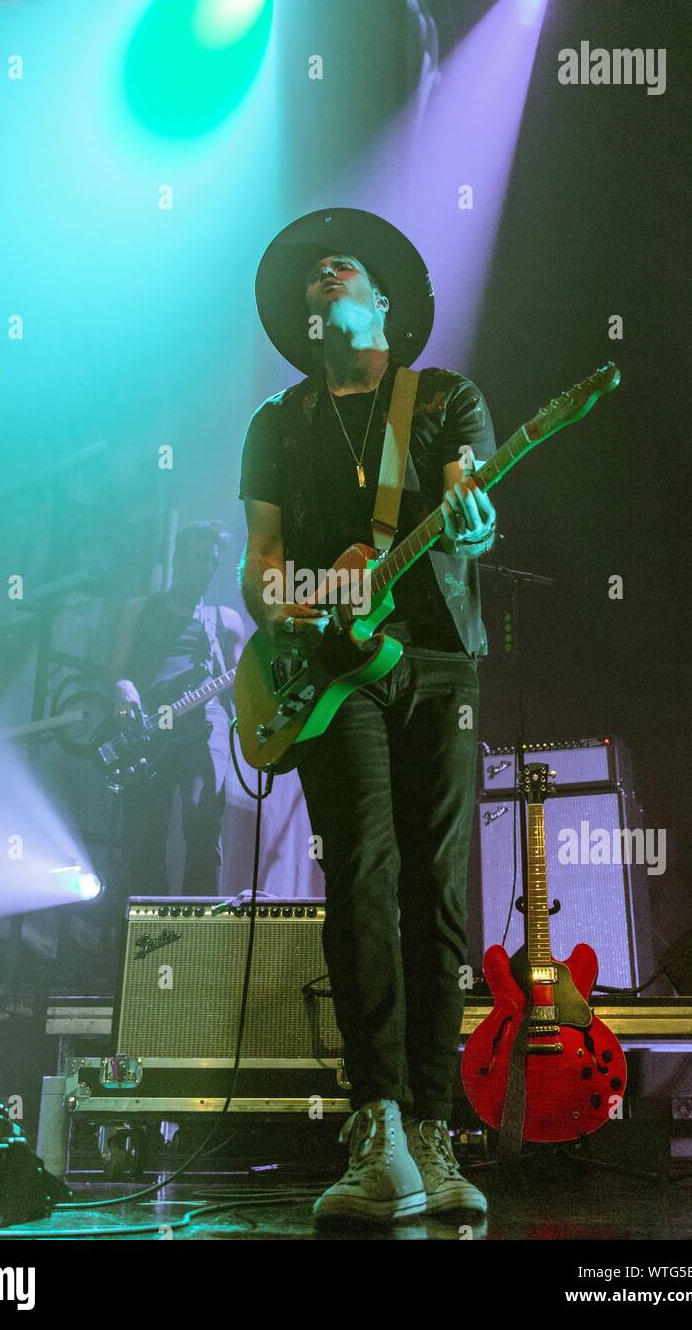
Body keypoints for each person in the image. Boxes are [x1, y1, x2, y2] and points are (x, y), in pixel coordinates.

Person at [238, 208, 497, 1223]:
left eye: (343, 268)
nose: (325, 273)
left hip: (434, 663)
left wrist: (472, 519)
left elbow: (467, 500)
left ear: (383, 301)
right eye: (313, 274)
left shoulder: (445, 398)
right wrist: (295, 601)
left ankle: (433, 1128)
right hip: (331, 674)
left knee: (437, 889)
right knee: (361, 878)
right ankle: (376, 1122)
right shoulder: (277, 424)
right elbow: (261, 565)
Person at [110, 520, 245, 898]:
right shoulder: (139, 610)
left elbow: (240, 687)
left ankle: (199, 923)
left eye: (212, 562)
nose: (206, 568)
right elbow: (116, 672)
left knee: (203, 823)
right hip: (148, 727)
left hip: (205, 726)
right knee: (145, 830)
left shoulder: (225, 621)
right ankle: (149, 922)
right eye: (199, 559)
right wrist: (123, 687)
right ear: (178, 559)